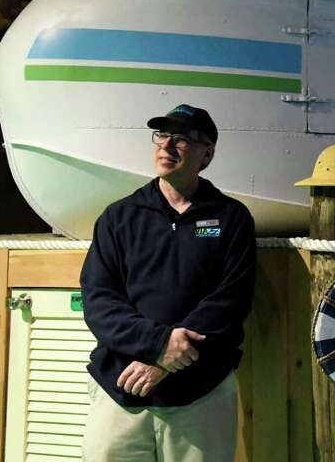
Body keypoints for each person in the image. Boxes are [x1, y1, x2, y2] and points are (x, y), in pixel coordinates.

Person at [80, 104, 256, 462]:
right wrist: (158, 346)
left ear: (207, 153)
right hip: (121, 388)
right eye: (161, 135)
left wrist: (165, 361)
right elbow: (99, 300)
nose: (166, 145)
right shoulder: (119, 217)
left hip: (201, 394)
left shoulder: (231, 218)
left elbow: (231, 301)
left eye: (181, 138)